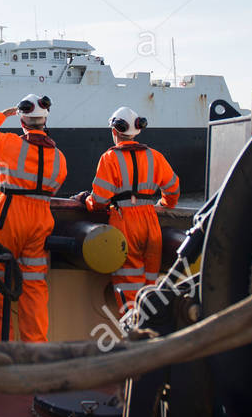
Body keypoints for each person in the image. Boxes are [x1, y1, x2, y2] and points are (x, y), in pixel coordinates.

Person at [0, 94, 67, 342]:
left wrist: (5, 114)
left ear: (23, 122)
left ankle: (3, 347)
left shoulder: (9, 145)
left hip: (11, 217)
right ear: (45, 121)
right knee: (35, 285)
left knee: (0, 283)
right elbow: (54, 187)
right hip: (42, 222)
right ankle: (35, 350)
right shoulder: (60, 158)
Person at [73, 106, 179, 311]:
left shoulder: (109, 158)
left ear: (115, 132)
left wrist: (86, 201)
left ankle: (135, 330)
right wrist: (166, 204)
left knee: (129, 286)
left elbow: (100, 200)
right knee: (151, 283)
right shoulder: (154, 156)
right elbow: (173, 188)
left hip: (125, 224)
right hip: (151, 223)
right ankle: (153, 330)